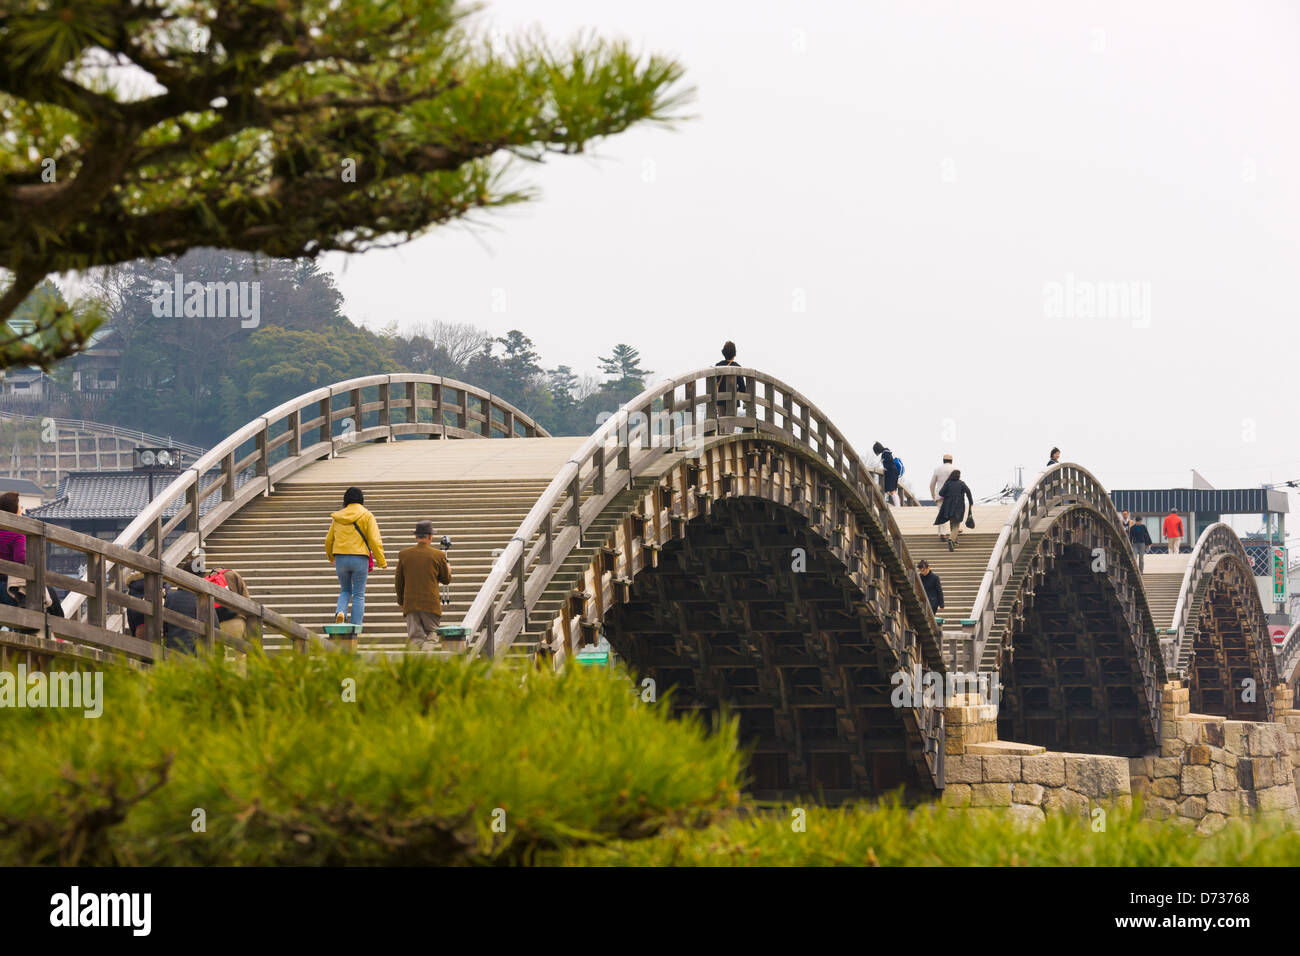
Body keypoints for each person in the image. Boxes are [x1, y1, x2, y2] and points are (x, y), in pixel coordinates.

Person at [324, 486, 387, 630]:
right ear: (361, 500)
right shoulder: (367, 515)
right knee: (359, 594)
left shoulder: (338, 517)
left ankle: (340, 612)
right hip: (359, 558)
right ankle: (355, 626)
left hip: (340, 558)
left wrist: (330, 556)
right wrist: (381, 561)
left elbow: (328, 540)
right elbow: (374, 540)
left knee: (345, 590)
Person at [394, 519, 452, 651]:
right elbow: (446, 580)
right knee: (433, 634)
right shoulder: (439, 555)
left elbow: (399, 581)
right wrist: (448, 571)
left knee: (415, 638)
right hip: (430, 603)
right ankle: (426, 656)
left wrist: (401, 601)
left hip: (411, 603)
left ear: (416, 536)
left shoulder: (404, 554)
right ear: (430, 536)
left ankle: (417, 665)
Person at [934, 469, 974, 551]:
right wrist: (971, 502)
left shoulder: (948, 483)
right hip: (958, 506)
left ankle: (955, 542)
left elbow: (941, 493)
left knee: (952, 522)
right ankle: (951, 539)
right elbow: (968, 491)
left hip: (948, 506)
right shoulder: (961, 483)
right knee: (956, 525)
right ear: (958, 476)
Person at [0, 491, 25, 608]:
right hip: (8, 584)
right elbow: (20, 559)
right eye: (20, 506)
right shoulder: (17, 534)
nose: (21, 509)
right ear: (15, 509)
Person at [714, 340, 748, 424]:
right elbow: (742, 387)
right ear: (734, 354)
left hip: (720, 400)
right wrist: (746, 400)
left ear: (723, 353)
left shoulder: (718, 366)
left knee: (721, 426)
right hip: (733, 400)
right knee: (730, 426)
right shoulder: (737, 367)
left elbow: (714, 383)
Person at [872, 441, 901, 506]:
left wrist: (885, 468)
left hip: (891, 473)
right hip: (894, 472)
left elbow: (889, 464)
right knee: (893, 491)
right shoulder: (887, 452)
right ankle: (898, 506)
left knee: (892, 491)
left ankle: (897, 506)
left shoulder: (885, 454)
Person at [930, 454, 955, 522]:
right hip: (952, 496)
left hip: (940, 496)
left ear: (943, 461)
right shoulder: (955, 469)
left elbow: (932, 484)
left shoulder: (937, 469)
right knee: (953, 513)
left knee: (941, 515)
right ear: (951, 461)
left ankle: (941, 532)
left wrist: (933, 495)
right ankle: (955, 528)